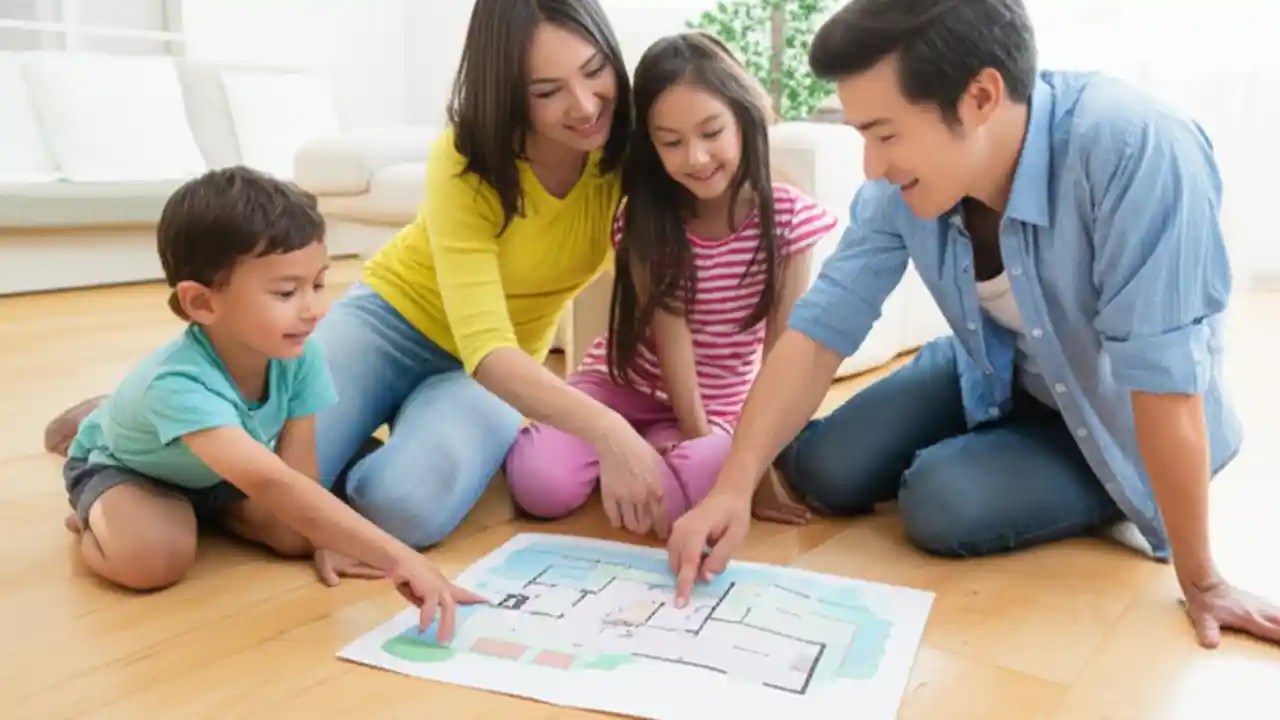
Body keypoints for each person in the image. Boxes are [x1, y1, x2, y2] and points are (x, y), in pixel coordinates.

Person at [667, 0, 1280, 649]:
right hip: (996, 365)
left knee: (940, 501)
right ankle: (995, 436)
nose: (872, 166)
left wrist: (1202, 578)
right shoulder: (901, 186)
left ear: (981, 96)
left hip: (1119, 413)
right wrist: (730, 489)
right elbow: (820, 331)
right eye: (862, 137)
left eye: (885, 134)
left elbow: (1163, 378)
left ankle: (1077, 480)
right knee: (822, 467)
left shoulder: (1137, 148)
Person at [45, 0, 668, 547]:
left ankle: (369, 456)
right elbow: (486, 345)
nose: (585, 106)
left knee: (400, 508)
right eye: (546, 90)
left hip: (494, 370)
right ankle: (127, 416)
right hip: (392, 321)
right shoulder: (467, 159)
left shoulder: (627, 159)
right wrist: (609, 432)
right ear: (507, 91)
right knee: (253, 471)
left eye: (594, 72)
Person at [60, 167, 482, 639]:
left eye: (319, 284)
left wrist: (319, 537)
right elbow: (271, 480)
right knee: (152, 560)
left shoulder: (300, 354)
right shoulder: (176, 382)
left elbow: (299, 473)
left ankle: (208, 510)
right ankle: (94, 510)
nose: (313, 309)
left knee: (299, 535)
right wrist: (404, 560)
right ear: (201, 304)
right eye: (286, 292)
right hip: (136, 471)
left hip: (217, 472)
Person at [504, 32, 837, 536]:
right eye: (672, 143)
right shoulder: (648, 220)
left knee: (707, 480)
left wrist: (758, 465)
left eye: (711, 132)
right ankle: (638, 454)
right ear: (651, 146)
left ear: (743, 117)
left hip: (717, 407)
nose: (697, 158)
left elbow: (780, 353)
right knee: (540, 485)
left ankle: (654, 458)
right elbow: (673, 347)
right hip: (618, 389)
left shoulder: (788, 219)